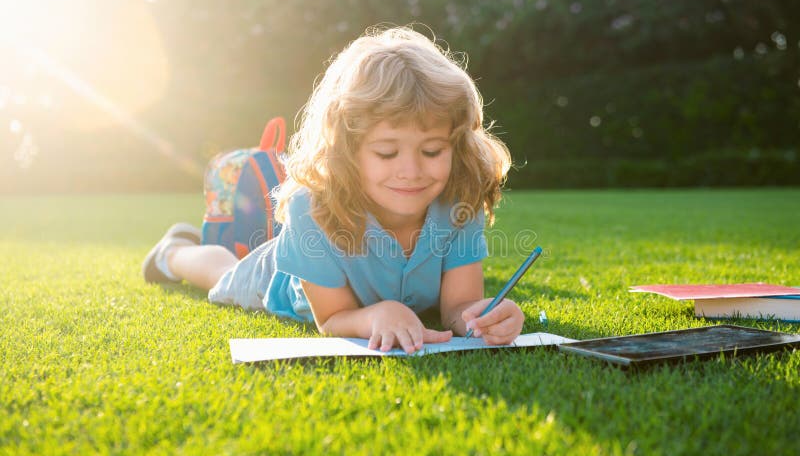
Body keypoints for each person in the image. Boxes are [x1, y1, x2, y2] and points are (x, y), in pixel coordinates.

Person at [142, 26, 525, 354]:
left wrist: (482, 315)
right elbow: (331, 319)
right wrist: (376, 314)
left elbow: (458, 306)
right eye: (387, 152)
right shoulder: (311, 207)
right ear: (346, 150)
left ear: (455, 146)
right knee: (224, 274)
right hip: (279, 282)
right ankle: (175, 251)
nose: (411, 171)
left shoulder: (460, 199)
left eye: (431, 150)